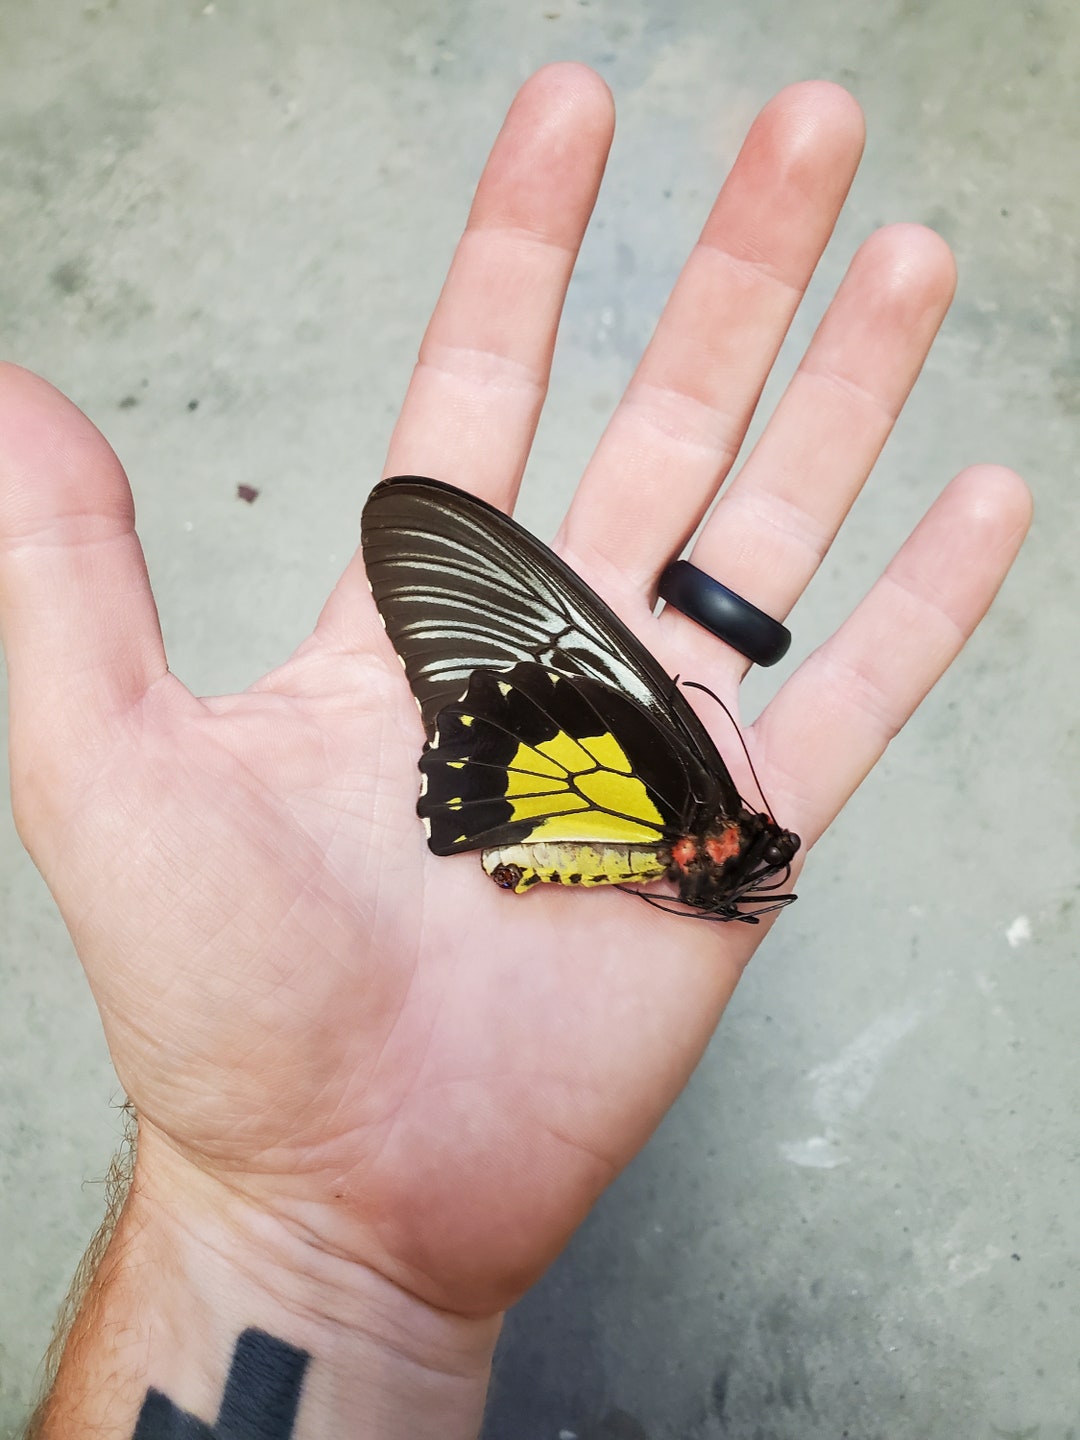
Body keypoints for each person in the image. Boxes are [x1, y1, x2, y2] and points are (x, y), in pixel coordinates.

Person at [1, 64, 1029, 1439]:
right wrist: (279, 1226)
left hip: (567, 815)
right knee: (655, 752)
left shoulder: (705, 846)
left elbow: (718, 863)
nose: (758, 857)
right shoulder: (678, 806)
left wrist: (280, 1240)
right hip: (541, 793)